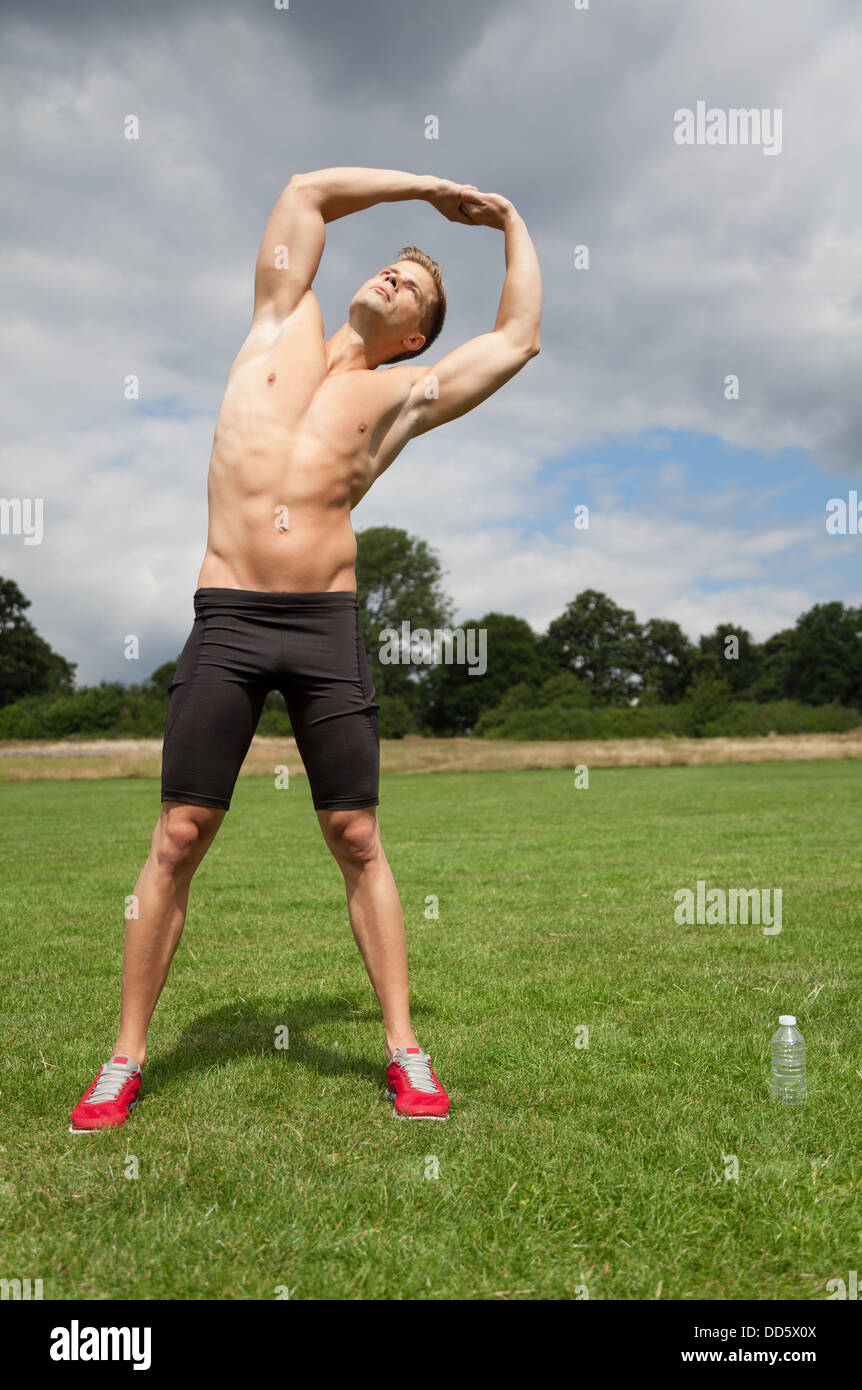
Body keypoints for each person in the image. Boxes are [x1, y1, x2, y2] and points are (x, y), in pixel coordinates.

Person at [71, 167, 542, 1130]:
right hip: (230, 616)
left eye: (413, 289)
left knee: (357, 837)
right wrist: (427, 193)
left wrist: (507, 218)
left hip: (324, 625)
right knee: (178, 835)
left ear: (415, 336)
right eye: (392, 268)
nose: (392, 280)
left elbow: (518, 338)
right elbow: (306, 191)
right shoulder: (278, 319)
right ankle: (124, 1059)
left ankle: (404, 1049)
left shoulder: (404, 394)